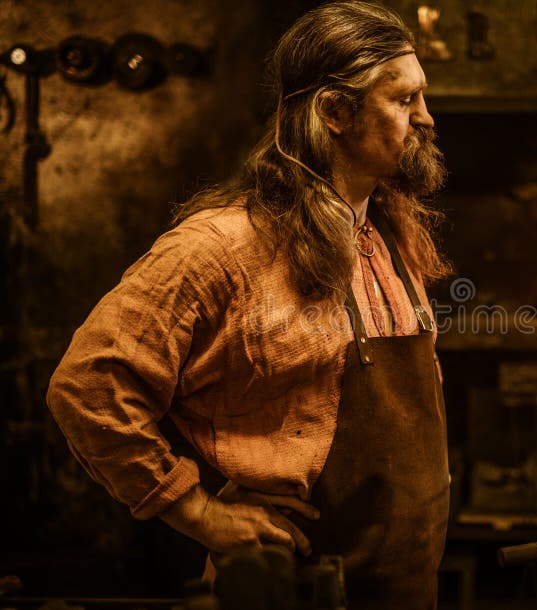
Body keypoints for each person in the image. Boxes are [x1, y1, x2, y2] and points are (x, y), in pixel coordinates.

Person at [46, 2, 452, 608]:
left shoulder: (390, 235)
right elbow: (88, 385)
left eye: (422, 98)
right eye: (403, 101)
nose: (426, 119)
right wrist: (199, 513)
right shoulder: (225, 247)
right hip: (286, 588)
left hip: (403, 587)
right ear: (335, 112)